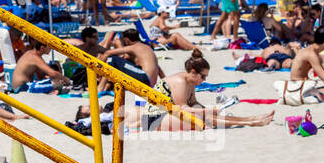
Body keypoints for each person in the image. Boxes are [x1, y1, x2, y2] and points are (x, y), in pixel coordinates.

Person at [112, 51, 275, 131]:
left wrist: (205, 109)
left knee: (210, 115)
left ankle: (252, 118)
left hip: (166, 115)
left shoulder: (189, 82)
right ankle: (251, 122)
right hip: (154, 120)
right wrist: (207, 110)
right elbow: (182, 108)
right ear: (193, 72)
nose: (204, 81)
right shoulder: (180, 81)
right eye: (203, 77)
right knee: (208, 118)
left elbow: (192, 103)